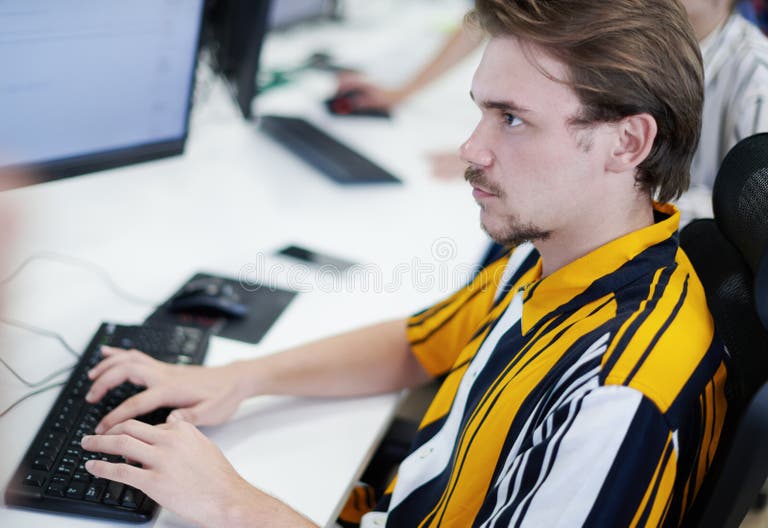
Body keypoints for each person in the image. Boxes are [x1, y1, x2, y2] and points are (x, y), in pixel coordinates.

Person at [81, 1, 727, 526]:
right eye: (481, 110)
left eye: (512, 120)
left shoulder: (614, 401)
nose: (472, 148)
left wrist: (231, 503)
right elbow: (417, 345)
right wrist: (244, 378)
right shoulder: (559, 258)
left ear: (628, 142)